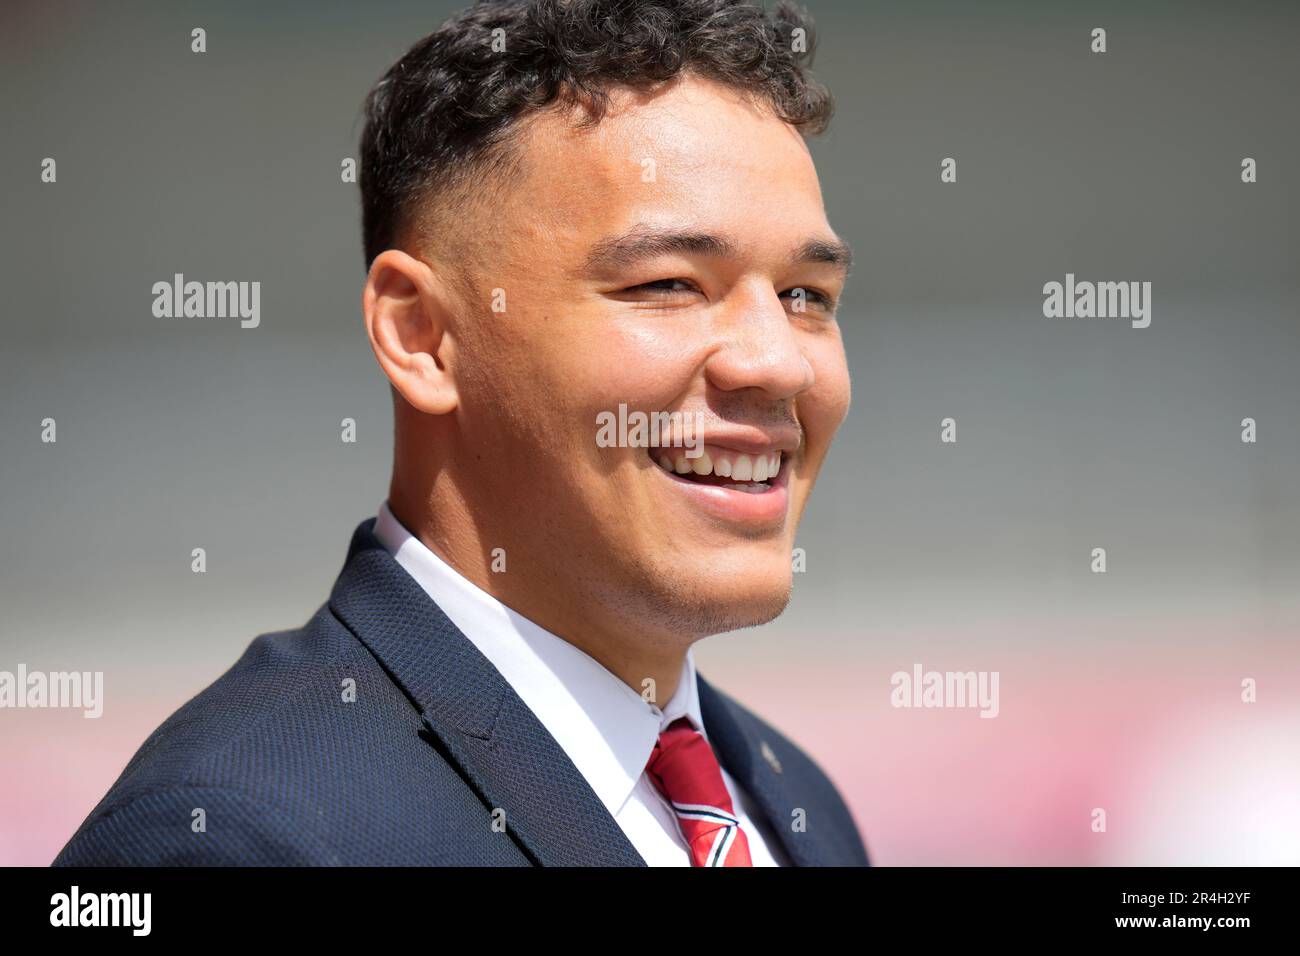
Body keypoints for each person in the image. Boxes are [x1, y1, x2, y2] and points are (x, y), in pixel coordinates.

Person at [54, 0, 868, 867]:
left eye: (806, 297)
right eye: (666, 284)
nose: (777, 364)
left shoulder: (795, 808)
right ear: (421, 336)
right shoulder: (237, 833)